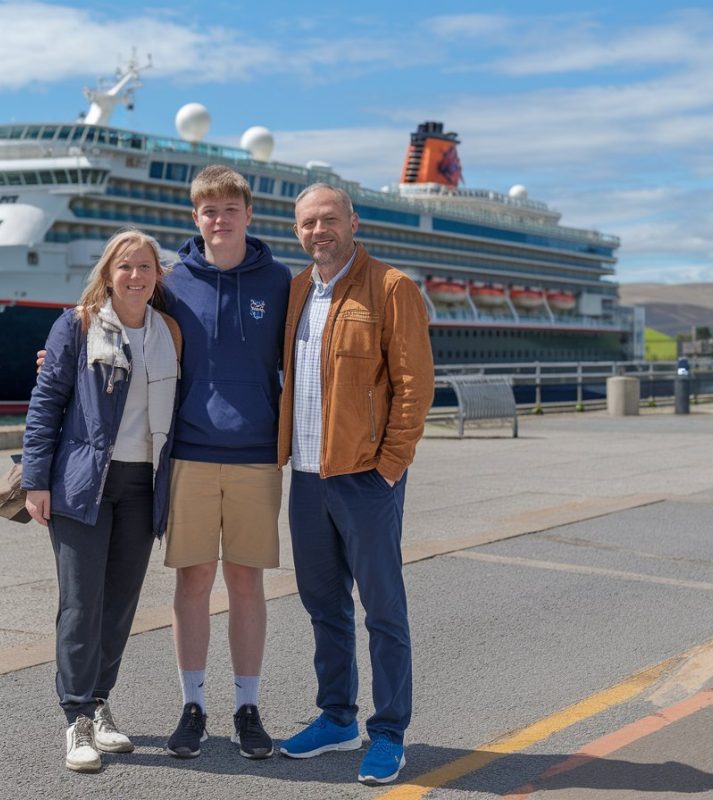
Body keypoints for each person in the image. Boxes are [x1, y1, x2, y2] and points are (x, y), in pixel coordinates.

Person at [275, 184, 434, 785]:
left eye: (330, 219)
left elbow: (416, 385)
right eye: (309, 222)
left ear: (352, 221)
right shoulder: (295, 292)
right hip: (309, 476)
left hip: (366, 477)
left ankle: (388, 731)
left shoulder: (391, 287)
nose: (320, 230)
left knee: (383, 610)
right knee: (323, 606)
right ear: (297, 231)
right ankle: (337, 716)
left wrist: (391, 463)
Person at [22, 229, 182, 774]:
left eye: (145, 267)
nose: (135, 276)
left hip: (143, 484)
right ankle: (75, 719)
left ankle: (99, 702)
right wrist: (36, 480)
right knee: (81, 603)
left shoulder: (169, 333)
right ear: (108, 274)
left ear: (158, 275)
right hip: (84, 483)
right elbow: (46, 403)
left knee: (119, 606)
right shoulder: (79, 324)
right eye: (125, 267)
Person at [161, 165, 291, 760]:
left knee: (246, 581)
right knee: (193, 580)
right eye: (208, 210)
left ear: (247, 214)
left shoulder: (280, 282)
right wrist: (54, 350)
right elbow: (119, 322)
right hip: (190, 450)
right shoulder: (171, 281)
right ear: (196, 218)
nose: (219, 219)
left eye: (229, 209)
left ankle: (247, 706)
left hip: (257, 455)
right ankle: (192, 704)